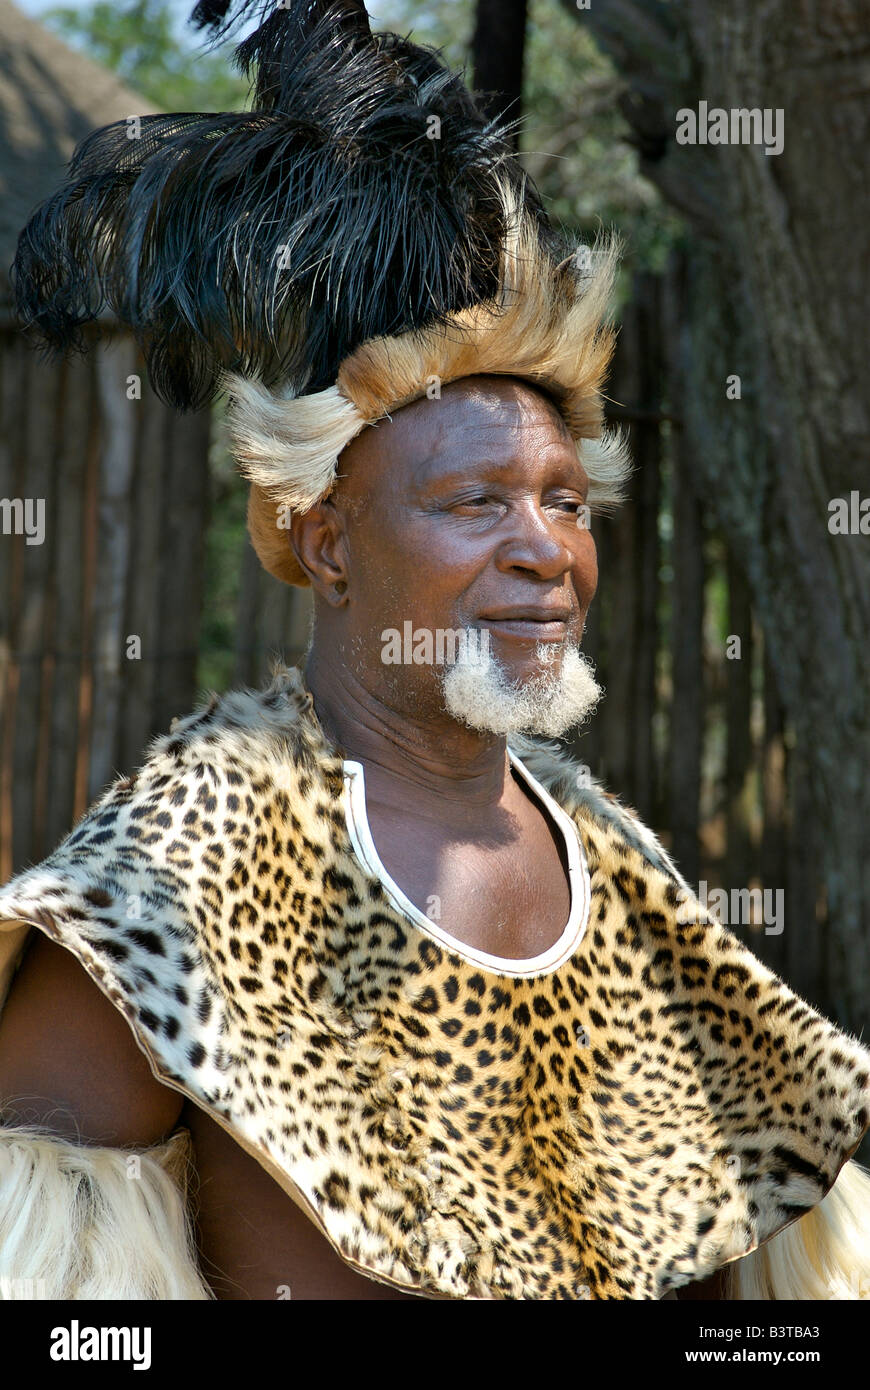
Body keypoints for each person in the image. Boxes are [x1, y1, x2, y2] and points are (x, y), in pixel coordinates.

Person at [1, 0, 869, 1302]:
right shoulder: (174, 881)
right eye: (473, 503)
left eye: (566, 501)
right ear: (328, 539)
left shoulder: (619, 874)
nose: (546, 552)